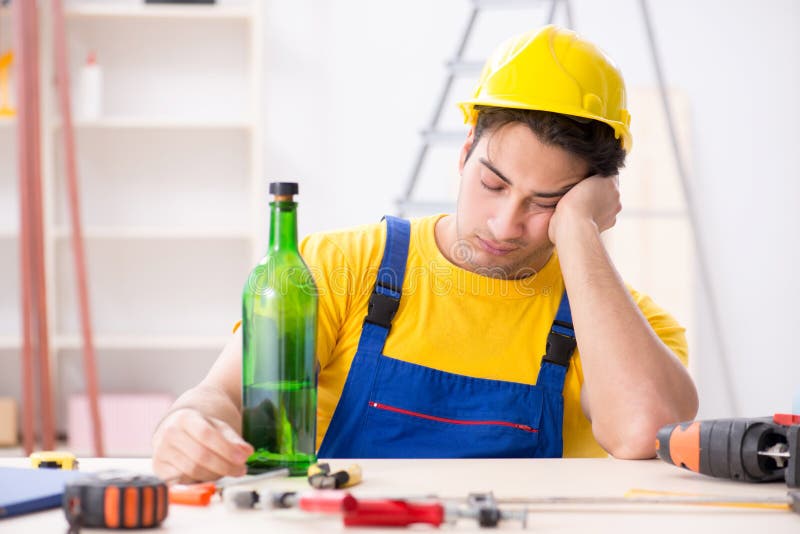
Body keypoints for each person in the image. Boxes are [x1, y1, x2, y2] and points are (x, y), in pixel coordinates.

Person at [152, 25, 698, 482]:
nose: (505, 224)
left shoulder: (627, 329)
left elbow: (641, 429)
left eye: (547, 203)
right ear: (464, 153)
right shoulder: (342, 269)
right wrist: (186, 426)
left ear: (595, 198)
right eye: (493, 184)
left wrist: (578, 232)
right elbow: (219, 398)